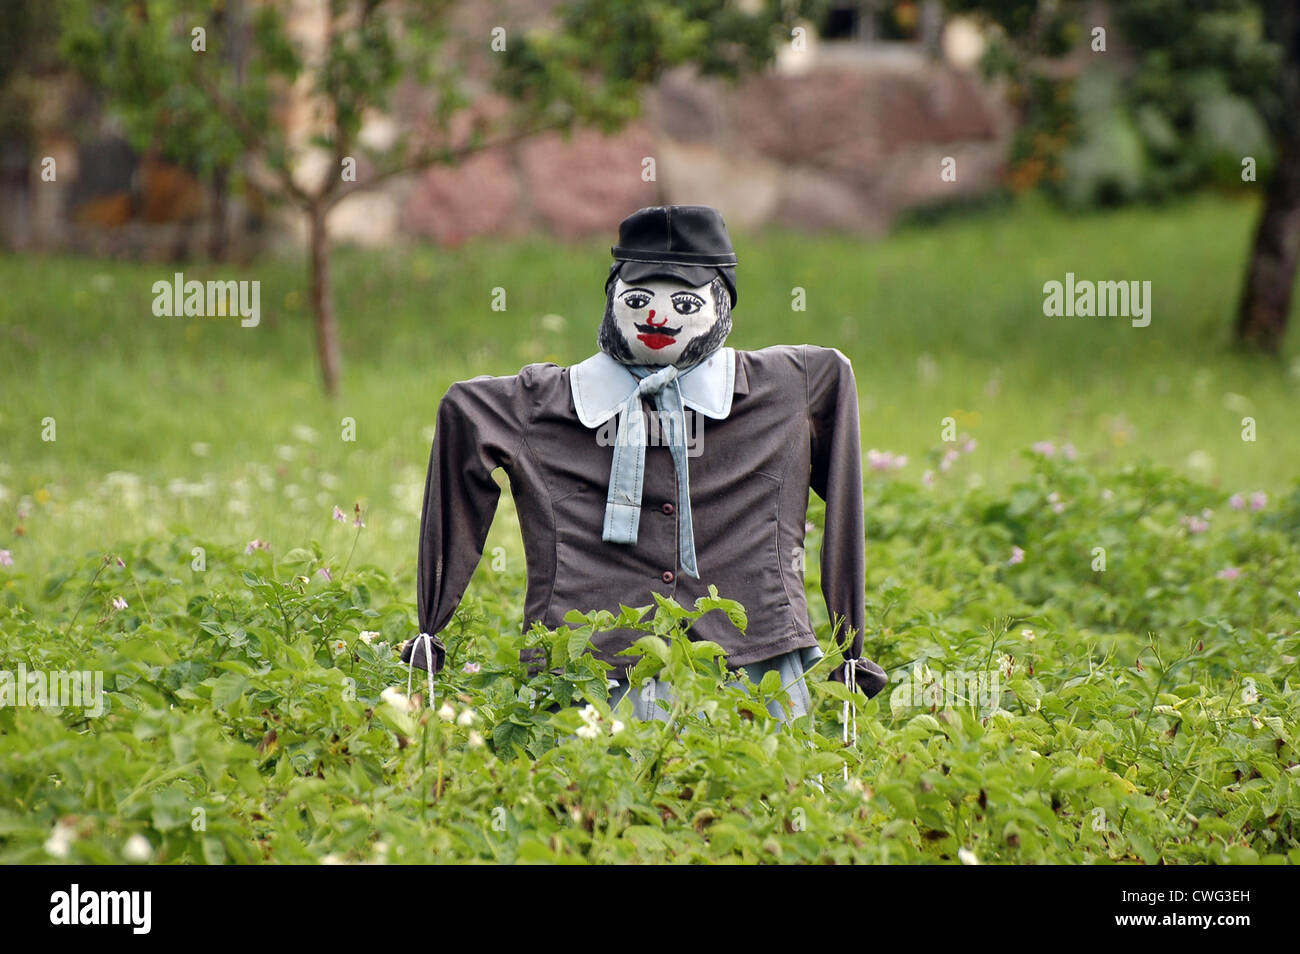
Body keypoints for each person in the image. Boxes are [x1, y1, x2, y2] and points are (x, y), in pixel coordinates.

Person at [401, 205, 886, 725]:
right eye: (638, 300)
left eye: (682, 301)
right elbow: (464, 410)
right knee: (587, 802)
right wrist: (434, 618)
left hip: (756, 667)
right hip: (587, 675)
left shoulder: (790, 387)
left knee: (763, 796)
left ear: (720, 303)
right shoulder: (546, 404)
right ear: (613, 301)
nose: (658, 317)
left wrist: (848, 637)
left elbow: (835, 380)